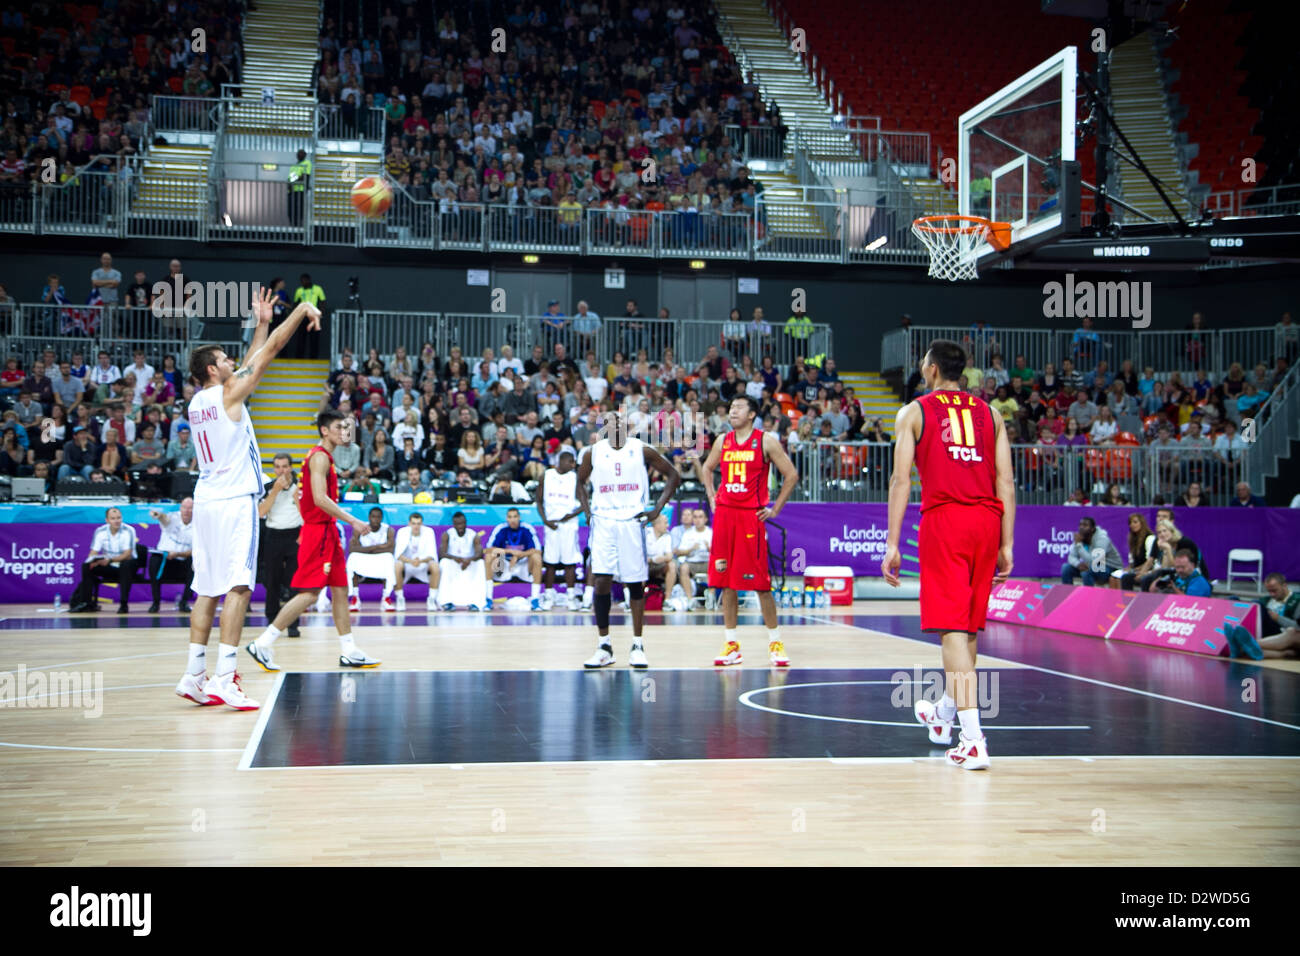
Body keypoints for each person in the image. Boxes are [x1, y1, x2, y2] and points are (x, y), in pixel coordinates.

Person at [175, 292, 322, 711]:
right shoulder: (229, 394)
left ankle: (193, 674)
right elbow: (271, 351)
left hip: (206, 500)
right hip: (235, 501)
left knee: (206, 590)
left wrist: (260, 322)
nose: (231, 363)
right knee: (239, 588)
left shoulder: (199, 402)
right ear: (211, 369)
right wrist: (299, 310)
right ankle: (225, 677)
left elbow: (249, 360)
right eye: (224, 360)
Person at [883, 339, 1015, 772]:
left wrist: (892, 543)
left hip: (946, 521)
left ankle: (973, 740)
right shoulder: (991, 414)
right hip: (987, 521)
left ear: (934, 369)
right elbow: (1006, 483)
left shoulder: (915, 412)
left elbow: (901, 481)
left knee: (952, 631)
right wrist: (1007, 543)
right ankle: (941, 715)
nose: (922, 367)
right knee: (969, 629)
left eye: (923, 362)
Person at [245, 410, 379, 675]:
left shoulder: (324, 457)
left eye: (345, 428)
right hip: (318, 532)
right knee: (309, 593)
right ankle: (263, 642)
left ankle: (349, 650)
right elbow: (319, 498)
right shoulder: (319, 458)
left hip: (327, 531)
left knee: (340, 588)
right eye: (339, 428)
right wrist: (352, 520)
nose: (344, 432)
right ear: (324, 431)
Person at [576, 409, 681, 668]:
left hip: (632, 522)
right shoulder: (594, 452)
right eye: (611, 421)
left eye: (621, 421)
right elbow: (579, 483)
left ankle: (637, 645)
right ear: (604, 427)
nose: (617, 424)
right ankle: (604, 646)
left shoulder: (641, 449)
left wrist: (656, 510)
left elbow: (673, 476)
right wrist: (588, 512)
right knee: (601, 580)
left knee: (635, 583)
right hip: (604, 523)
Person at [258, 453, 303, 638]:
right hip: (273, 536)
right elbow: (261, 512)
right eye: (277, 467)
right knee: (272, 581)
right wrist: (275, 491)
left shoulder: (300, 488)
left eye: (285, 466)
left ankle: (293, 624)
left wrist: (302, 536)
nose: (281, 470)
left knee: (294, 583)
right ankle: (272, 622)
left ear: (291, 467)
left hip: (295, 536)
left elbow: (307, 514)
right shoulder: (268, 488)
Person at [69, 507, 139, 613]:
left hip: (128, 565)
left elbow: (127, 554)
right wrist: (91, 561)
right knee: (86, 566)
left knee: (126, 565)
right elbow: (93, 551)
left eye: (119, 518)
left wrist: (110, 560)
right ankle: (86, 603)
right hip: (109, 565)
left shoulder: (129, 530)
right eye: (113, 518)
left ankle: (123, 604)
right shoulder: (100, 531)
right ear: (107, 520)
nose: (116, 521)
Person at [538, 450, 583, 610]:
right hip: (551, 525)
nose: (573, 465)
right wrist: (545, 520)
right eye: (570, 462)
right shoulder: (547, 475)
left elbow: (584, 504)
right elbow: (538, 501)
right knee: (550, 562)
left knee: (569, 562)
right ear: (562, 461)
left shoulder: (575, 478)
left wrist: (569, 516)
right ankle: (548, 596)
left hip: (569, 525)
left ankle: (571, 598)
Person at [483, 507, 544, 609]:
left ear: (519, 517)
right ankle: (488, 600)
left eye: (515, 517)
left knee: (536, 557)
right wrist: (510, 552)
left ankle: (535, 600)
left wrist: (519, 555)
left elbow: (538, 550)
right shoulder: (500, 529)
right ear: (507, 518)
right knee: (490, 556)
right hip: (503, 566)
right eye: (510, 517)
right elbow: (488, 549)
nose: (513, 520)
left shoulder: (527, 528)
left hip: (523, 566)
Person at [344, 506, 398, 611]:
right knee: (352, 558)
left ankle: (386, 598)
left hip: (380, 558)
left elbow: (390, 549)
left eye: (378, 517)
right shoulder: (360, 528)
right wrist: (378, 547)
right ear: (369, 517)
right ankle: (355, 597)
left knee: (389, 558)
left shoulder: (388, 530)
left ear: (382, 518)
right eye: (373, 517)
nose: (375, 519)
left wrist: (367, 549)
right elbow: (352, 549)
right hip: (364, 558)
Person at [147, 498, 194, 613]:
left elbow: (196, 550)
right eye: (184, 507)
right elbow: (165, 519)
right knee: (154, 560)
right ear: (180, 508)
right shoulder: (173, 517)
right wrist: (159, 515)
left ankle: (184, 602)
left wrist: (178, 553)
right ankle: (156, 602)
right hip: (165, 560)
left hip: (183, 560)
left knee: (195, 562)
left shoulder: (200, 524)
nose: (187, 511)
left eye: (190, 508)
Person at [436, 512, 488, 610]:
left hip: (469, 563)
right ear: (453, 524)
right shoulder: (447, 534)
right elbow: (442, 554)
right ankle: (446, 602)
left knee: (480, 563)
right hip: (453, 563)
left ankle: (477, 603)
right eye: (457, 524)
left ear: (466, 523)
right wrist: (456, 559)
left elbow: (479, 553)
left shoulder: (473, 535)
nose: (460, 526)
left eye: (462, 523)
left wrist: (469, 560)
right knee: (444, 562)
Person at [390, 511, 440, 610]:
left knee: (435, 566)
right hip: (407, 564)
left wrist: (420, 561)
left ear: (422, 524)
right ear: (409, 524)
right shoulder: (402, 532)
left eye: (418, 524)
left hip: (423, 564)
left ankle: (431, 599)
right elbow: (397, 555)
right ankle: (400, 598)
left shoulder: (429, 532)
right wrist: (410, 561)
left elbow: (433, 555)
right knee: (397, 565)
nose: (416, 526)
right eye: (413, 523)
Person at [1061, 516, 1123, 585]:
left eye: (1085, 525)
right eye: (1080, 525)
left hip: (1111, 568)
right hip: (1092, 566)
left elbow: (1094, 561)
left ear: (1092, 529)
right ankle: (1068, 593)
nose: (1081, 527)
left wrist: (1079, 545)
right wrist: (1078, 564)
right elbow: (1071, 557)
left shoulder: (1102, 538)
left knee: (1087, 571)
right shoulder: (1081, 537)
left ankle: (1088, 595)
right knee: (1066, 568)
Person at [1110, 512, 1156, 590]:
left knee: (1121, 578)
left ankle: (1124, 600)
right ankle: (1115, 600)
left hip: (1146, 569)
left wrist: (1138, 570)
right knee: (1113, 577)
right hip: (1135, 569)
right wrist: (1129, 568)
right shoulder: (1132, 539)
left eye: (1135, 522)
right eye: (1130, 523)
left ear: (1142, 523)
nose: (1132, 525)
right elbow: (1132, 561)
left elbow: (1151, 560)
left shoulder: (1149, 538)